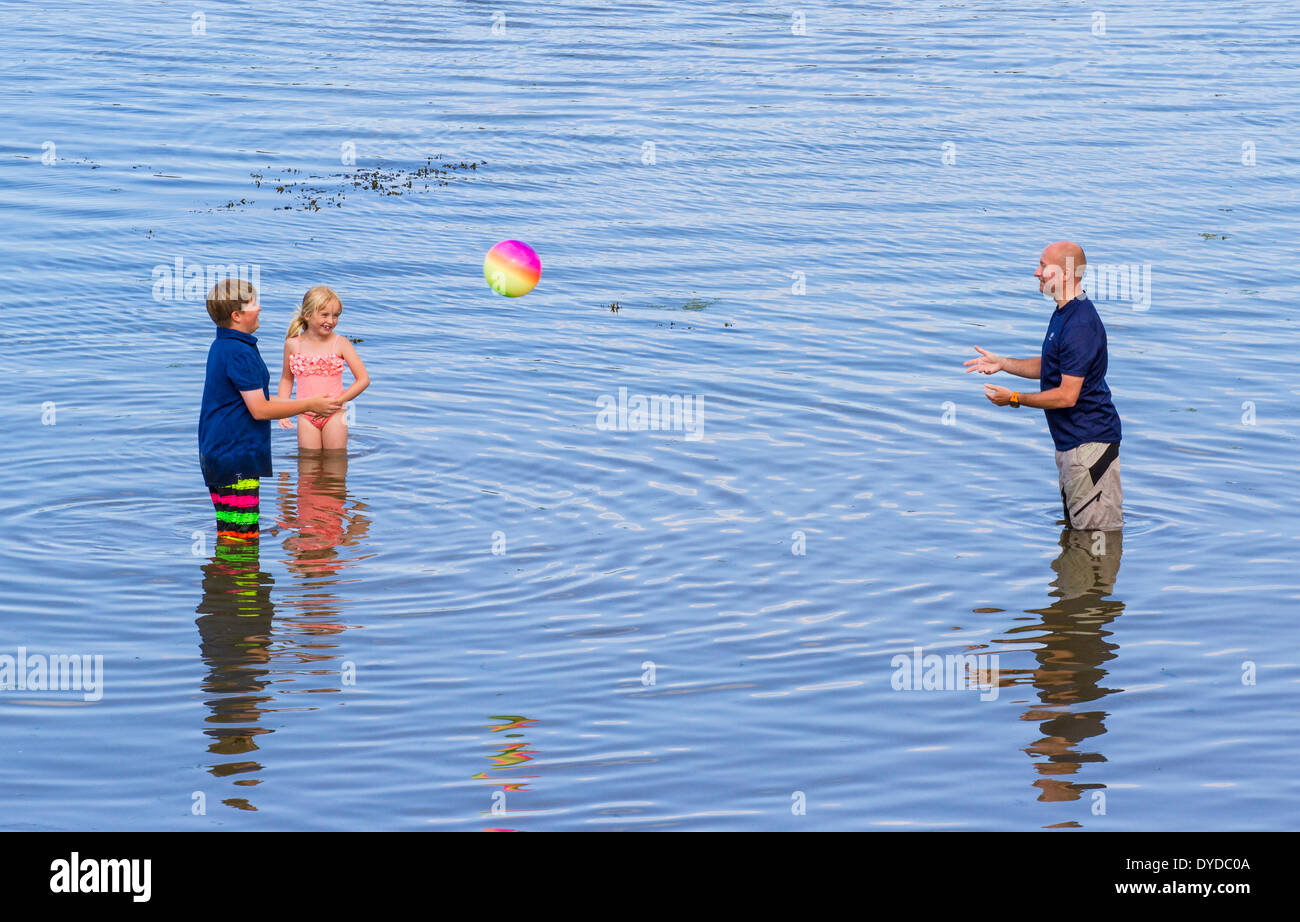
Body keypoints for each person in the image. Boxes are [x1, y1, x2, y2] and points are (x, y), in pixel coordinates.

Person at [964, 241, 1123, 530]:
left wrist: (1013, 398)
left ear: (1065, 274)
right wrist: (1004, 363)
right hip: (1071, 445)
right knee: (1076, 539)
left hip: (1089, 445)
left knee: (1095, 538)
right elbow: (1053, 364)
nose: (1036, 273)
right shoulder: (1064, 313)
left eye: (1042, 266)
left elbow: (1067, 396)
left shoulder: (1080, 324)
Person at [199, 279, 343, 542]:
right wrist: (309, 405)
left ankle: (230, 577)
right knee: (241, 537)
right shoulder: (240, 352)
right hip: (236, 456)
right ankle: (242, 580)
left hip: (220, 454)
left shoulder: (223, 346)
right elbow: (259, 409)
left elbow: (258, 398)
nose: (260, 308)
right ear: (237, 315)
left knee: (232, 529)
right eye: (253, 303)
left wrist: (296, 405)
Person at [277, 285, 370, 450]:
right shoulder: (292, 344)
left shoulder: (340, 343)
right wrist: (283, 410)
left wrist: (338, 402)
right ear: (307, 315)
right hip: (306, 415)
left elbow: (363, 380)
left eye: (336, 316)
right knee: (308, 466)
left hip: (334, 414)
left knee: (335, 466)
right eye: (325, 315)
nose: (331, 321)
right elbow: (286, 379)